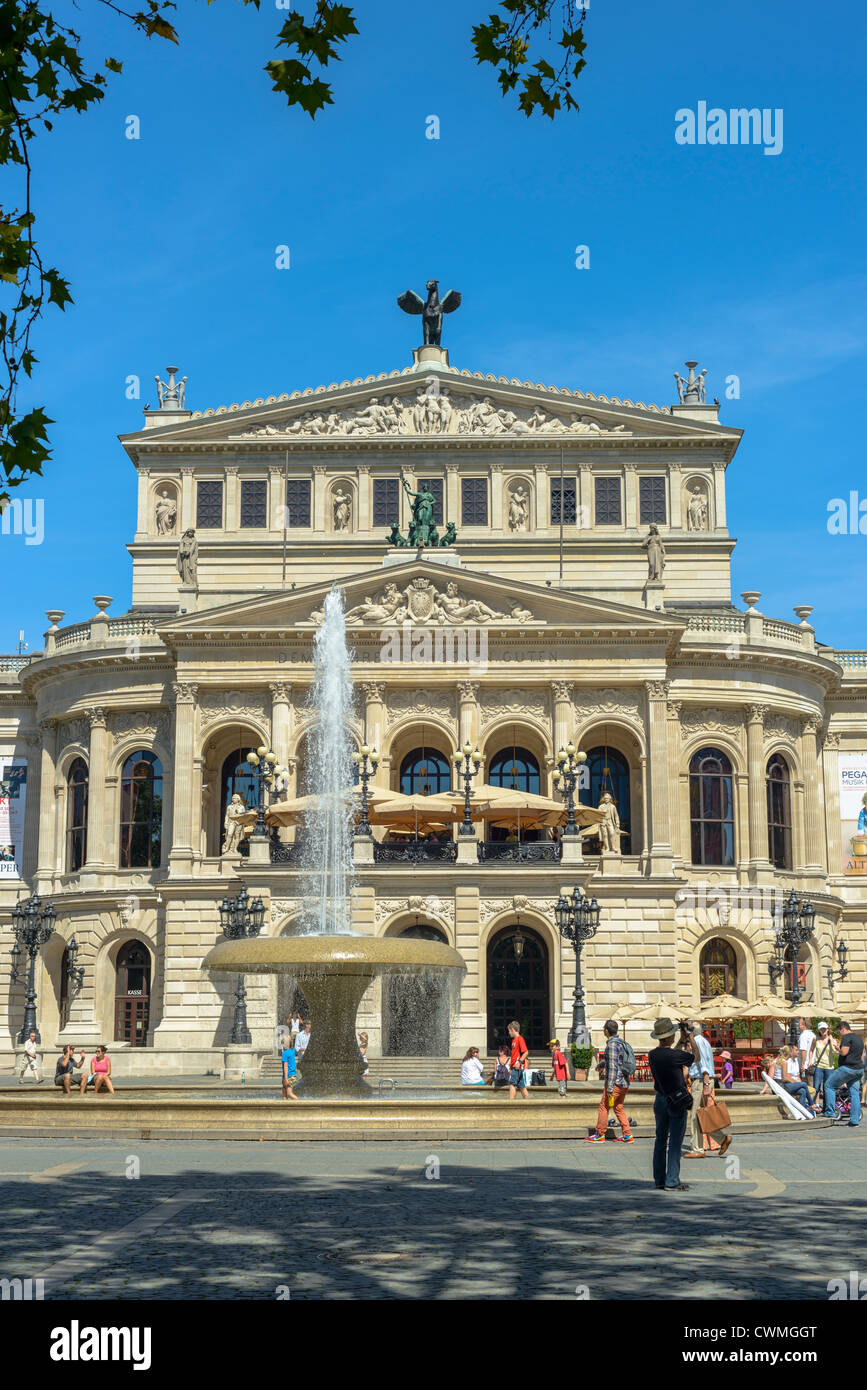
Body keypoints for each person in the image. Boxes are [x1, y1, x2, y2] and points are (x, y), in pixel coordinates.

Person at [648, 1018, 702, 1191]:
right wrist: (690, 1037)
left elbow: (673, 1053)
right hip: (676, 1101)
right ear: (669, 1036)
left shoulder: (653, 1054)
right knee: (675, 1142)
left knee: (660, 1141)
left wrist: (679, 1039)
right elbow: (696, 1056)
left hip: (660, 1100)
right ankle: (672, 1180)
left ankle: (659, 1180)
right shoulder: (674, 1056)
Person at [683, 1022, 730, 1158]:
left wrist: (705, 1084)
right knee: (701, 1115)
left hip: (700, 1082)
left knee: (694, 1116)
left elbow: (703, 1064)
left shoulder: (697, 1042)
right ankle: (722, 1139)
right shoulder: (704, 1041)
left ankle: (697, 1149)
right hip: (702, 1081)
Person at [587, 1020, 633, 1142]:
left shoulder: (612, 1045)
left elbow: (612, 1067)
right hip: (624, 1082)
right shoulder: (620, 1043)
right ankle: (627, 1134)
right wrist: (602, 1064)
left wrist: (610, 1087)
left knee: (604, 1106)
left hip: (616, 1082)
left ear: (606, 1031)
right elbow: (616, 1061)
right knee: (618, 1107)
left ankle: (600, 1134)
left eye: (603, 1029)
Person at [823, 1021, 865, 1127]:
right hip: (858, 1069)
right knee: (854, 1094)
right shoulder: (859, 1038)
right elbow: (862, 1056)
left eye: (839, 1031)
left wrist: (837, 1048)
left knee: (829, 1086)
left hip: (848, 1068)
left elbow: (844, 1052)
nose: (840, 1034)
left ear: (843, 1029)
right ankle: (854, 1121)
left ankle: (830, 1113)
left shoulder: (847, 1037)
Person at [811, 1022, 837, 1112]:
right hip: (818, 1066)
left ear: (828, 1029)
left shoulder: (832, 1039)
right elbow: (811, 1050)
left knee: (827, 1088)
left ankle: (826, 1107)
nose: (823, 1030)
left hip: (829, 1067)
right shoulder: (816, 1039)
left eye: (825, 1029)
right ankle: (813, 1106)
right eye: (821, 1029)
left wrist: (831, 1041)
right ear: (819, 1030)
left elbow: (834, 1051)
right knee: (816, 1087)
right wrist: (810, 1061)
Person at [780, 1043, 812, 1111]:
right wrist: (797, 1084)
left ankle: (801, 1110)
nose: (798, 1052)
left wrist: (798, 1084)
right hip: (787, 1085)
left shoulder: (796, 1061)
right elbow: (786, 1077)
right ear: (791, 1052)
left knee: (803, 1091)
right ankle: (811, 1104)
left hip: (794, 1084)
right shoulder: (786, 1062)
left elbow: (797, 1076)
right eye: (796, 1050)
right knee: (804, 1084)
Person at [507, 1020, 530, 1101]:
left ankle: (510, 1103)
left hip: (517, 1067)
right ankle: (528, 1103)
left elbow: (526, 1052)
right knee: (522, 1086)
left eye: (509, 1031)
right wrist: (510, 1067)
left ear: (513, 1030)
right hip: (515, 1067)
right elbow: (514, 1055)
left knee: (512, 1084)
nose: (509, 1033)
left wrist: (519, 1063)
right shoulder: (514, 1040)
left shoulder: (520, 1039)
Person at [798, 1017, 817, 1089]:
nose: (798, 1026)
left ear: (803, 1025)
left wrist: (802, 1064)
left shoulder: (803, 1035)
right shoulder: (812, 1034)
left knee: (806, 1087)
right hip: (812, 1063)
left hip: (806, 1066)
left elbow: (803, 1050)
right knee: (812, 1087)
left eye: (799, 1024)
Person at [280, 1034, 299, 1101]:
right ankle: (285, 1109)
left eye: (282, 1043)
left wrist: (285, 1078)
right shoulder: (292, 1051)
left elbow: (285, 1066)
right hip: (292, 1075)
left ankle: (300, 1105)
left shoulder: (284, 1053)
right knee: (283, 1093)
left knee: (289, 1094)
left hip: (288, 1076)